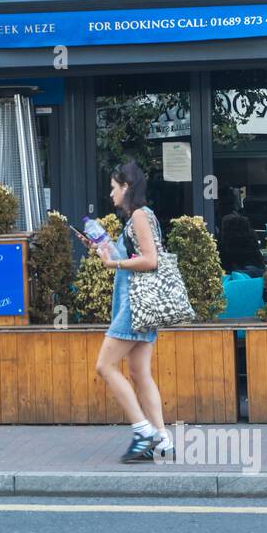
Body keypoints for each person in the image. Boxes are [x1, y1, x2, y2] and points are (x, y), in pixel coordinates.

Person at [80, 159, 173, 463]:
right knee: (139, 372)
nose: (110, 195)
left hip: (134, 306)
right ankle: (162, 440)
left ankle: (142, 430)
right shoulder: (138, 219)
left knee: (105, 366)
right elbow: (131, 258)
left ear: (127, 187)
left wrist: (114, 263)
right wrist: (104, 249)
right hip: (137, 303)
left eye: (113, 188)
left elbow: (150, 261)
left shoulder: (140, 217)